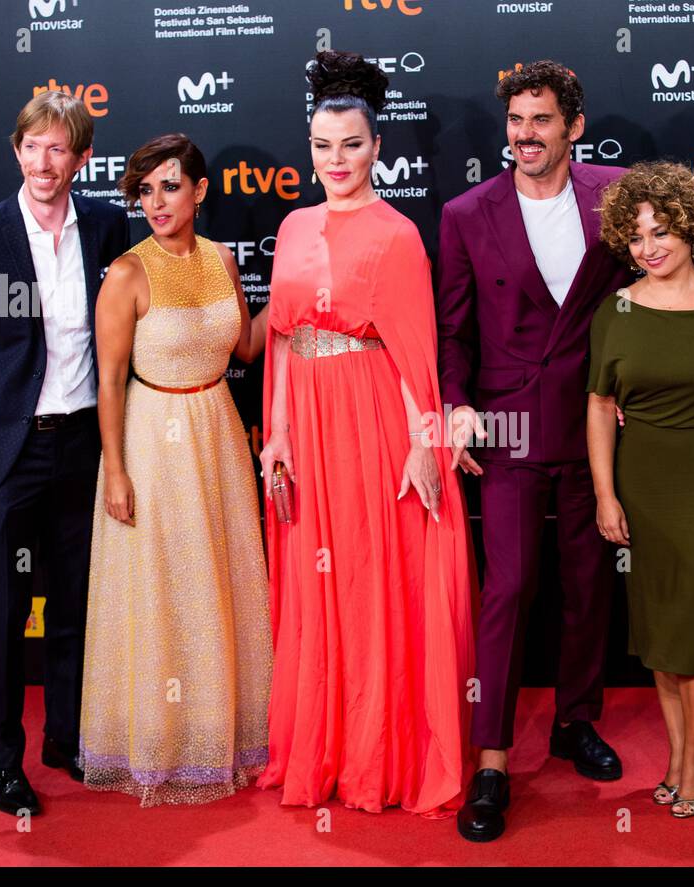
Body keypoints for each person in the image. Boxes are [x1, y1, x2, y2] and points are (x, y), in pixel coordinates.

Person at [257, 51, 477, 818]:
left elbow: (420, 352)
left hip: (372, 422)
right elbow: (282, 336)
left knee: (368, 580)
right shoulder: (290, 226)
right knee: (318, 587)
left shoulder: (397, 234)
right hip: (307, 425)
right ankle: (320, 749)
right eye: (322, 146)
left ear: (377, 147)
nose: (336, 160)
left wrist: (425, 442)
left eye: (351, 144)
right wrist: (276, 433)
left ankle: (377, 756)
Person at [0, 91, 130, 815]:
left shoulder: (106, 228)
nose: (45, 162)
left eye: (60, 149)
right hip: (1, 456)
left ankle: (65, 741)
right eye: (33, 146)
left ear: (81, 159)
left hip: (81, 449)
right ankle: (5, 763)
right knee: (4, 611)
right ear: (17, 151)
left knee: (75, 603)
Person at [438, 60, 630, 843]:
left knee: (588, 583)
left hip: (591, 421)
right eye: (516, 121)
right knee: (509, 588)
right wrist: (454, 408)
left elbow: (650, 289)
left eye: (542, 120)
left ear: (573, 128)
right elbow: (454, 329)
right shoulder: (464, 213)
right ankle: (491, 758)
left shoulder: (616, 196)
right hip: (507, 428)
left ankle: (576, 722)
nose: (526, 135)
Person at [77, 134, 273, 807]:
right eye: (145, 190)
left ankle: (218, 732)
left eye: (169, 185)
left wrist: (303, 288)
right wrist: (115, 471)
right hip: (152, 439)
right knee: (165, 585)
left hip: (217, 430)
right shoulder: (127, 273)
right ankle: (162, 738)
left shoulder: (221, 259)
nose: (156, 201)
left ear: (199, 190)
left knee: (220, 580)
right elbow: (107, 382)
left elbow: (244, 347)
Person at [586, 162, 694, 819]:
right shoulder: (616, 309)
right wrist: (605, 495)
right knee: (656, 632)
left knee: (690, 630)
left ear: (693, 230)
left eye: (664, 231)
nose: (650, 247)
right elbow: (598, 406)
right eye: (638, 236)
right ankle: (681, 757)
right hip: (640, 480)